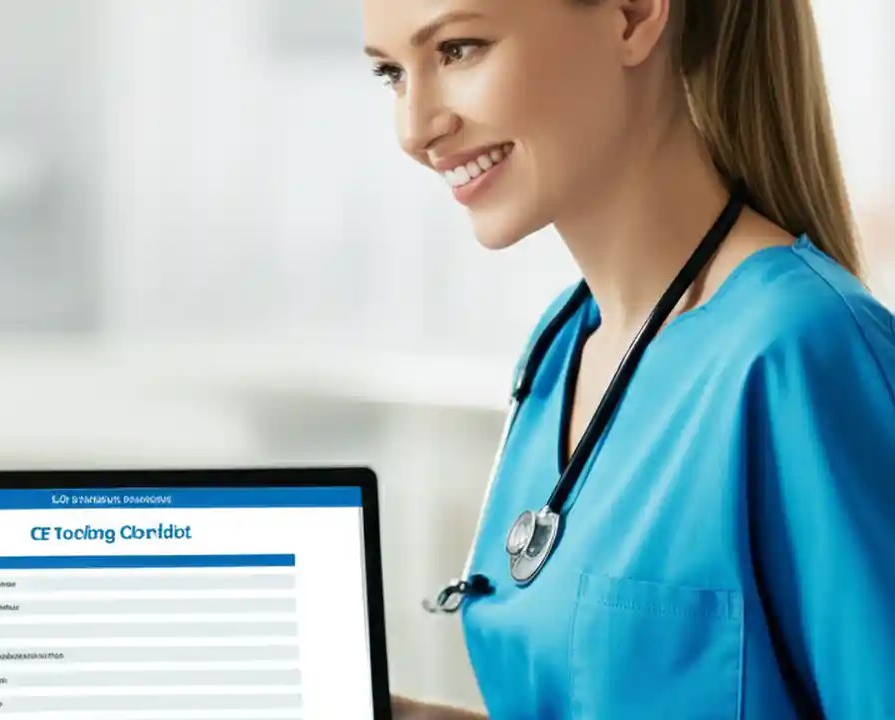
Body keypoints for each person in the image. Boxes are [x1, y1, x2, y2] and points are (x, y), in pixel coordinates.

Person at [361, 0, 895, 718]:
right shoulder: (561, 346)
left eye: (458, 49)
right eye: (392, 74)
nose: (414, 129)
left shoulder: (798, 351)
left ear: (632, 15)